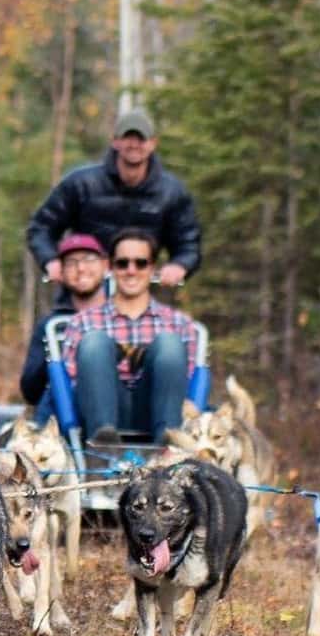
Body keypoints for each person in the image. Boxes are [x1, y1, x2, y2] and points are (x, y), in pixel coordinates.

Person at [26, 108, 202, 293]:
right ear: (115, 141)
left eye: (140, 139)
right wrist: (51, 261)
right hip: (82, 291)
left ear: (153, 143)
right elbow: (41, 227)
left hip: (140, 292)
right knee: (52, 323)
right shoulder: (80, 184)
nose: (134, 144)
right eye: (128, 138)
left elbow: (188, 242)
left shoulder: (172, 192)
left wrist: (179, 265)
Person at [60, 228, 198, 445]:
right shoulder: (81, 323)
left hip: (159, 407)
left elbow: (184, 385)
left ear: (152, 267)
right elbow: (73, 385)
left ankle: (168, 444)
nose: (131, 271)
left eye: (140, 263)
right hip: (99, 410)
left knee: (169, 343)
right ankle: (102, 443)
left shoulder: (179, 324)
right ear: (111, 267)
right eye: (122, 263)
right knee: (95, 341)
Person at [20, 233, 108, 426]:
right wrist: (55, 359)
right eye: (71, 262)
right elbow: (30, 391)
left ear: (105, 265)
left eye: (89, 259)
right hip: (64, 413)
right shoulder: (51, 326)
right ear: (61, 272)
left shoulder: (124, 320)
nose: (81, 268)